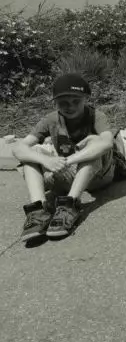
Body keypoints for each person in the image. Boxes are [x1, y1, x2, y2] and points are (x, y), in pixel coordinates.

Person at [13, 73, 115, 241]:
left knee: (95, 142)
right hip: (64, 173)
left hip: (96, 176)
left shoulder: (97, 116)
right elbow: (18, 147)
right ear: (55, 103)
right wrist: (46, 160)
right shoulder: (51, 119)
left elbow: (106, 143)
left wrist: (68, 161)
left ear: (86, 99)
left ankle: (70, 205)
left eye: (76, 101)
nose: (70, 106)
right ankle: (39, 210)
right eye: (63, 103)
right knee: (33, 153)